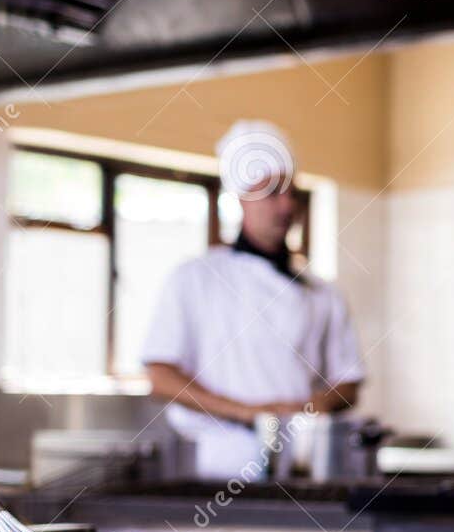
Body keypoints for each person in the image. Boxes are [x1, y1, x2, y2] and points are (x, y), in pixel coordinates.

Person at [142, 120, 366, 479]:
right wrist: (251, 414)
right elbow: (160, 376)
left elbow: (348, 382)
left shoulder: (323, 292)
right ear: (241, 197)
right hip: (215, 466)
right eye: (272, 193)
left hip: (303, 465)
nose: (286, 206)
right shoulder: (194, 278)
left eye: (292, 193)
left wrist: (306, 411)